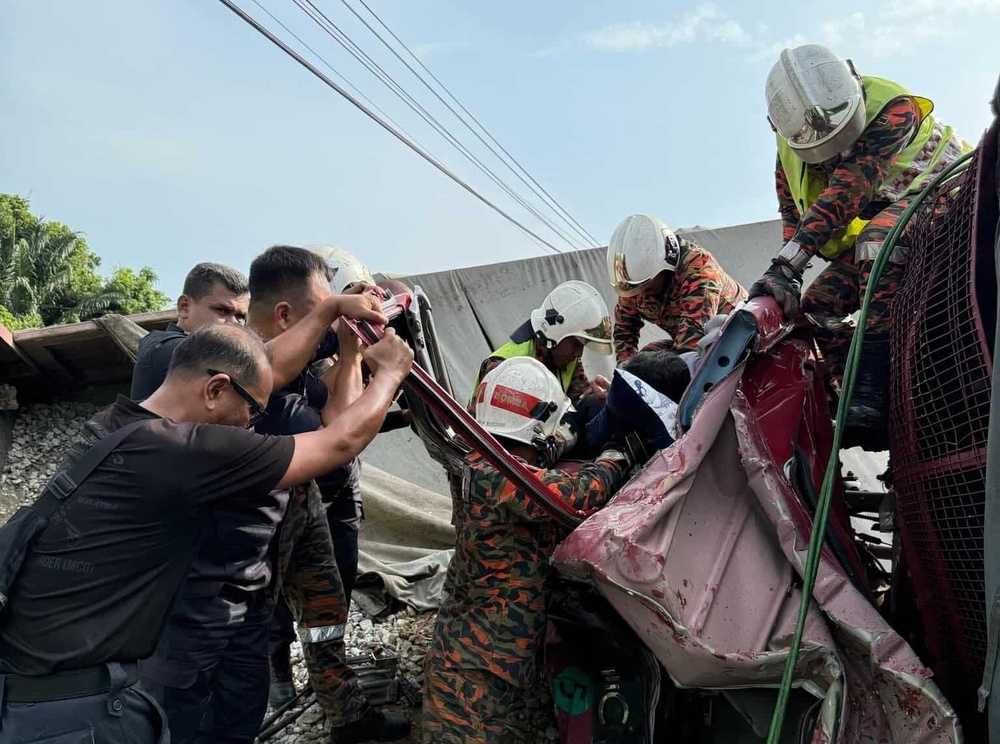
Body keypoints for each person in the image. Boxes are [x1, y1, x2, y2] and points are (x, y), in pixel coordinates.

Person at [0, 320, 412, 744]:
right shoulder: (180, 450)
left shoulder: (113, 424)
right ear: (215, 389)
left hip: (32, 689)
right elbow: (338, 443)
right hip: (71, 712)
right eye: (252, 410)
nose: (251, 424)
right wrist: (390, 372)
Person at [747, 43, 971, 449]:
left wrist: (786, 265)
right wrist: (786, 278)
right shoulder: (789, 150)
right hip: (895, 219)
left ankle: (873, 390)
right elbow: (793, 215)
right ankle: (857, 395)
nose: (832, 157)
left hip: (952, 194)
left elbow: (851, 188)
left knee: (876, 241)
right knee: (817, 306)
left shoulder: (892, 107)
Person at [422, 357, 645, 743]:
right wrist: (616, 455)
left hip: (479, 645)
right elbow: (577, 494)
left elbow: (544, 451)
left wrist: (583, 418)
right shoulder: (499, 475)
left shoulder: (482, 455)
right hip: (475, 661)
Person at [247, 245, 410, 742]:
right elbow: (339, 439)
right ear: (285, 315)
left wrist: (350, 345)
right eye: (319, 309)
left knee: (326, 611)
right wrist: (387, 372)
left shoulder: (299, 370)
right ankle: (260, 694)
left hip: (305, 508)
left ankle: (346, 715)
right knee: (250, 629)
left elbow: (340, 412)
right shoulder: (235, 362)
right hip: (252, 532)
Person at [607, 214, 746, 365]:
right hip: (696, 344)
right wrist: (625, 370)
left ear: (666, 266)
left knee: (671, 367)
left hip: (738, 339)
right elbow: (624, 330)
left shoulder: (699, 268)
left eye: (648, 285)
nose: (641, 294)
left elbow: (693, 339)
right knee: (645, 360)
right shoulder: (633, 283)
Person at [468, 280, 613, 412]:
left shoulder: (565, 359)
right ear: (556, 333)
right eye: (576, 343)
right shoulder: (503, 367)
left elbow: (578, 403)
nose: (579, 353)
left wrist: (602, 400)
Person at [130, 262, 250, 400]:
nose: (234, 323)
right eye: (222, 310)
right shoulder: (166, 348)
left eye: (240, 317)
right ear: (184, 307)